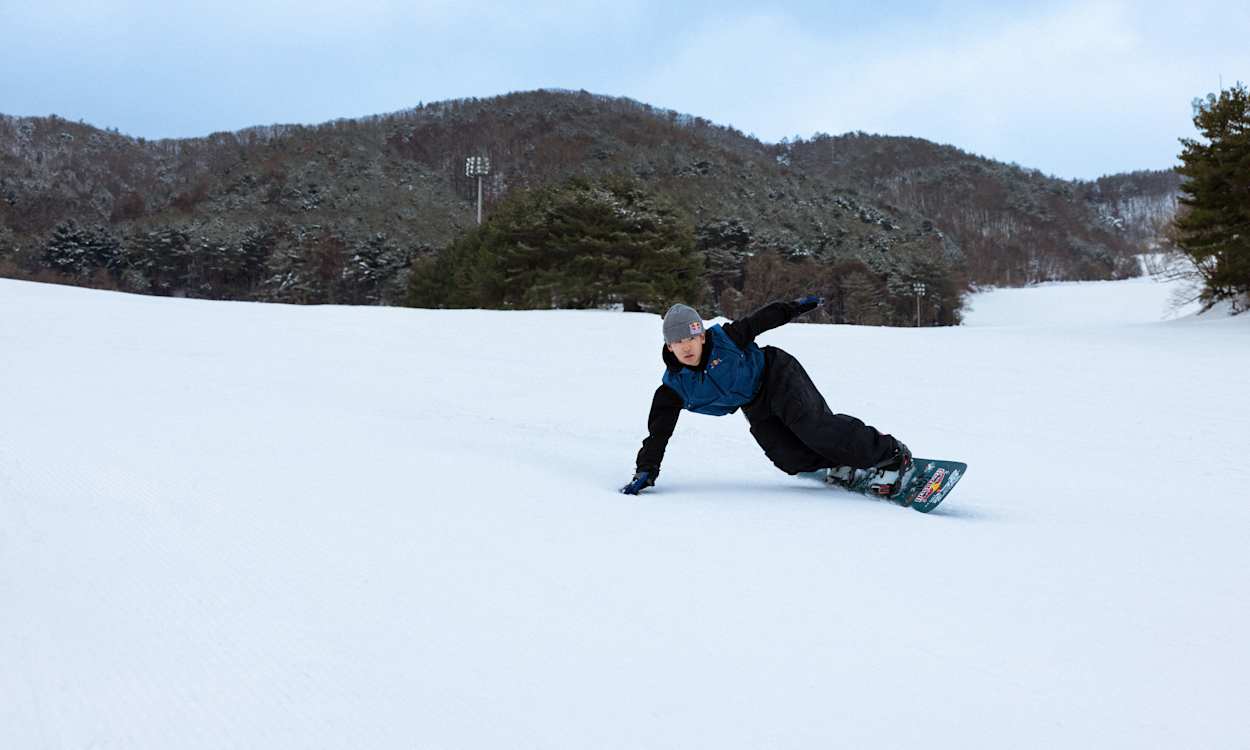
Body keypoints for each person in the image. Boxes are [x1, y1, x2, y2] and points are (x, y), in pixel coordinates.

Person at [620, 298, 913, 500]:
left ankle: (890, 453)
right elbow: (658, 434)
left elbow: (762, 319)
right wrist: (647, 469)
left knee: (813, 426)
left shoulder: (727, 339)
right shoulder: (672, 390)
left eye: (690, 338)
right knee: (788, 458)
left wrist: (795, 307)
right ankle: (841, 461)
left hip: (776, 373)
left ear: (702, 337)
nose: (685, 347)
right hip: (754, 402)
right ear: (669, 347)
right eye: (677, 342)